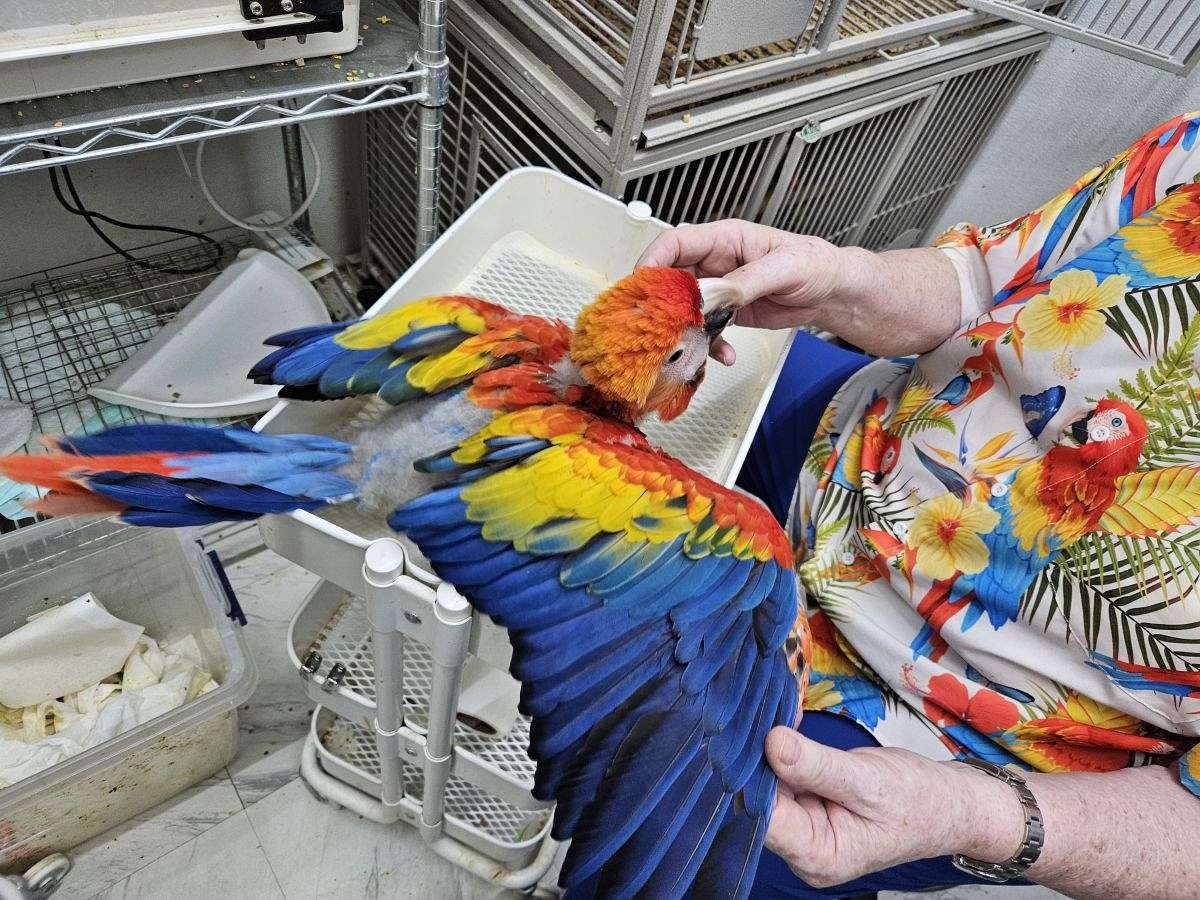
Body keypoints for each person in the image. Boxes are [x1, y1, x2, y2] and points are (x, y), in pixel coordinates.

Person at [637, 111, 1200, 898]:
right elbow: (985, 280)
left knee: (673, 849)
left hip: (932, 732)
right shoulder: (1193, 154)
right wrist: (843, 281)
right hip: (841, 443)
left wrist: (972, 815)